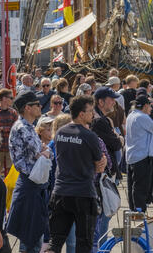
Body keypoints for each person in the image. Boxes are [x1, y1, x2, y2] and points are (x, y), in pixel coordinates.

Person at [48, 95, 106, 253]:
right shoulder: (90, 136)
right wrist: (103, 163)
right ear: (81, 114)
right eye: (90, 111)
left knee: (55, 241)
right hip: (83, 194)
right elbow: (99, 166)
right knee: (84, 242)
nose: (92, 115)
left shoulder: (60, 133)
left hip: (60, 192)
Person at [4, 91, 50, 253]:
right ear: (27, 108)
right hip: (29, 185)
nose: (40, 107)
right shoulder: (23, 127)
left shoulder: (28, 126)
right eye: (37, 105)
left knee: (33, 237)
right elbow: (40, 150)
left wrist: (43, 151)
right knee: (30, 239)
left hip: (33, 184)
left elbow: (42, 150)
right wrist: (44, 152)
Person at [124, 94, 153, 213]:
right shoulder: (143, 117)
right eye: (150, 106)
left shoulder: (130, 116)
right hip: (142, 156)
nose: (151, 109)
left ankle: (134, 209)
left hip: (132, 155)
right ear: (145, 106)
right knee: (141, 186)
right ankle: (139, 212)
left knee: (132, 185)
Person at [91, 87, 124, 176]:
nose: (114, 102)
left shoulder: (100, 118)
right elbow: (116, 144)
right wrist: (120, 138)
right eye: (112, 99)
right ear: (101, 102)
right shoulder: (99, 121)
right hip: (103, 171)